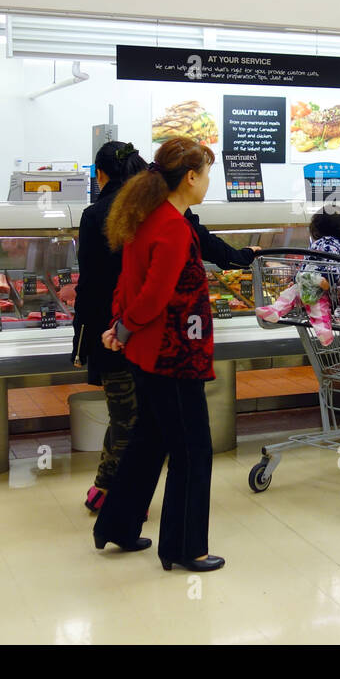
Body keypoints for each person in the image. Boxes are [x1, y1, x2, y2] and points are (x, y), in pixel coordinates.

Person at [93, 137, 224, 572]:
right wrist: (126, 326)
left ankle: (117, 525)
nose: (208, 183)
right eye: (206, 174)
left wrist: (119, 327)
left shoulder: (145, 216)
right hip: (174, 357)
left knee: (149, 440)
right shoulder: (172, 226)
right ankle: (185, 548)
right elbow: (154, 293)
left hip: (146, 354)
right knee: (193, 451)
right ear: (190, 177)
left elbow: (127, 283)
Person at [71, 141, 148, 513]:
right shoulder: (151, 209)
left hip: (110, 330)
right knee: (131, 415)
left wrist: (80, 338)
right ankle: (108, 488)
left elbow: (87, 284)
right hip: (147, 328)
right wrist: (241, 258)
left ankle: (117, 491)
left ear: (99, 174)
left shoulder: (94, 214)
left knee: (125, 415)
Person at [255, 207, 340, 345]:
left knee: (310, 302)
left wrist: (323, 280)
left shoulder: (325, 243)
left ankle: (276, 310)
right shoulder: (339, 245)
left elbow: (329, 265)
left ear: (316, 227)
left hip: (323, 287)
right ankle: (322, 330)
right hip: (320, 285)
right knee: (300, 297)